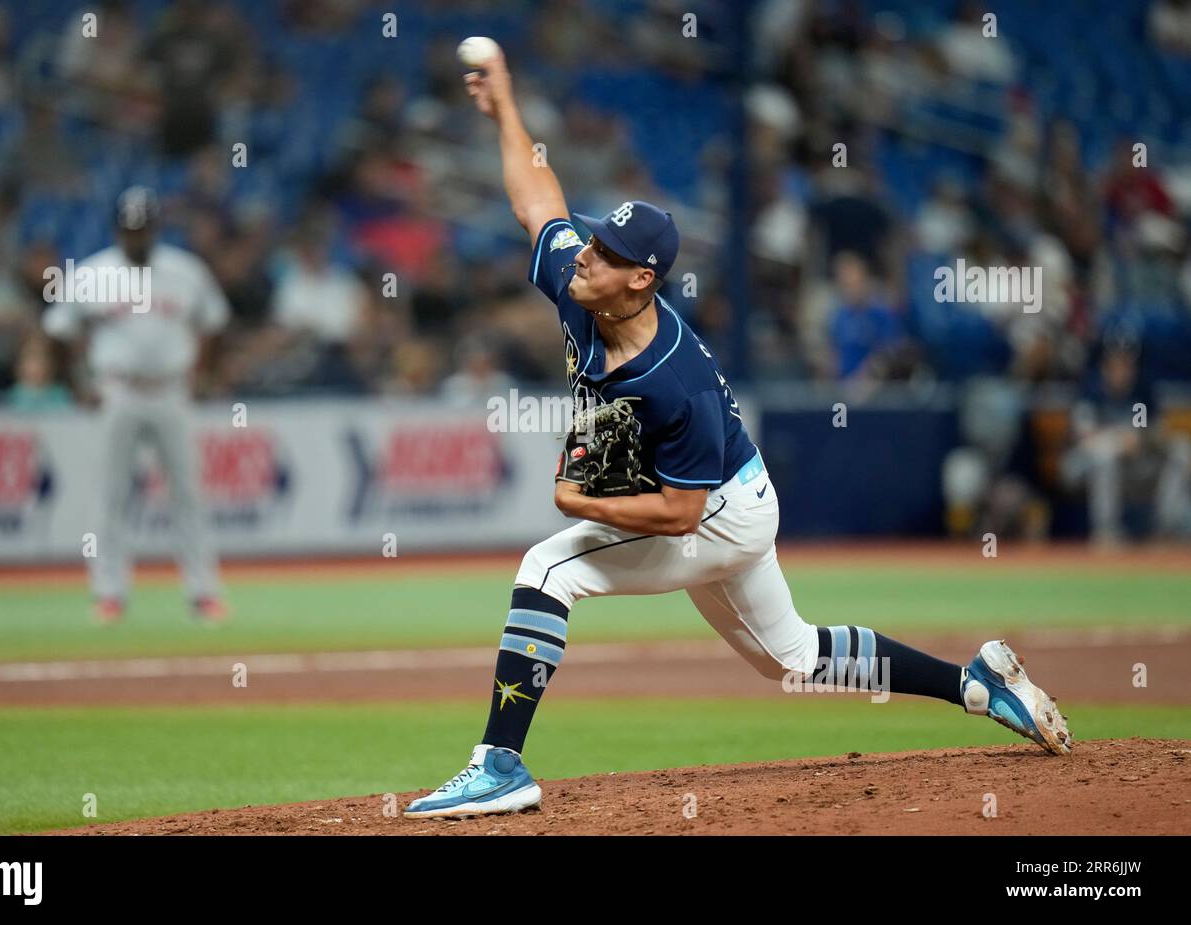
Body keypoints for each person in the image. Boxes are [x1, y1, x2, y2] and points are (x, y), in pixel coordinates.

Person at [402, 47, 1073, 821]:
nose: (583, 255)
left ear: (641, 279)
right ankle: (976, 682)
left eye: (605, 254)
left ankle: (499, 764)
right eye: (592, 243)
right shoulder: (580, 280)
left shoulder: (668, 379)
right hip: (736, 493)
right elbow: (536, 200)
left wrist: (587, 504)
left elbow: (681, 516)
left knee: (549, 570)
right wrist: (507, 106)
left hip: (716, 510)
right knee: (790, 656)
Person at [42, 186, 229, 623]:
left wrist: (210, 375)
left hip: (171, 389)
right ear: (117, 230)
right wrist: (75, 385)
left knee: (188, 494)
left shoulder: (185, 272)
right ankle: (110, 594)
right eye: (130, 229)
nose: (137, 236)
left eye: (144, 228)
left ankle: (203, 593)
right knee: (110, 496)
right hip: (118, 389)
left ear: (157, 228)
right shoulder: (91, 273)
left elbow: (216, 322)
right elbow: (57, 329)